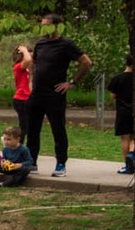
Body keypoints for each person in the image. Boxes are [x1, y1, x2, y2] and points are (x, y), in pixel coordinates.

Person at [24, 10, 91, 175]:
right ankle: (31, 161)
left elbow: (86, 62)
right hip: (37, 92)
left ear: (56, 26)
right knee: (32, 128)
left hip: (54, 93)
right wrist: (31, 79)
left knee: (58, 128)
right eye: (42, 26)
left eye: (47, 26)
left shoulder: (66, 44)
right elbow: (33, 63)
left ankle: (61, 163)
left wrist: (72, 82)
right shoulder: (40, 44)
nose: (44, 29)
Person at [112, 60, 135, 175]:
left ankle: (127, 165)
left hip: (122, 111)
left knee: (124, 138)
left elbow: (113, 95)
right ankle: (132, 154)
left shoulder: (117, 78)